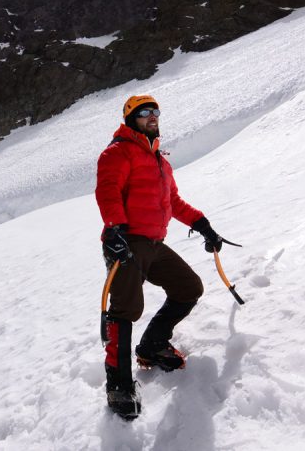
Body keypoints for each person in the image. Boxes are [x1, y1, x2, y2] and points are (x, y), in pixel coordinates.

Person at [95, 94, 225, 419]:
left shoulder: (160, 161)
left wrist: (203, 224)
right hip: (125, 241)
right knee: (125, 310)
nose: (152, 116)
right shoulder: (119, 151)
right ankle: (118, 386)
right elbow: (108, 190)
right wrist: (114, 230)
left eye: (155, 111)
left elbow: (175, 202)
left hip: (154, 243)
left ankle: (152, 344)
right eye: (143, 112)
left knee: (189, 288)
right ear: (130, 118)